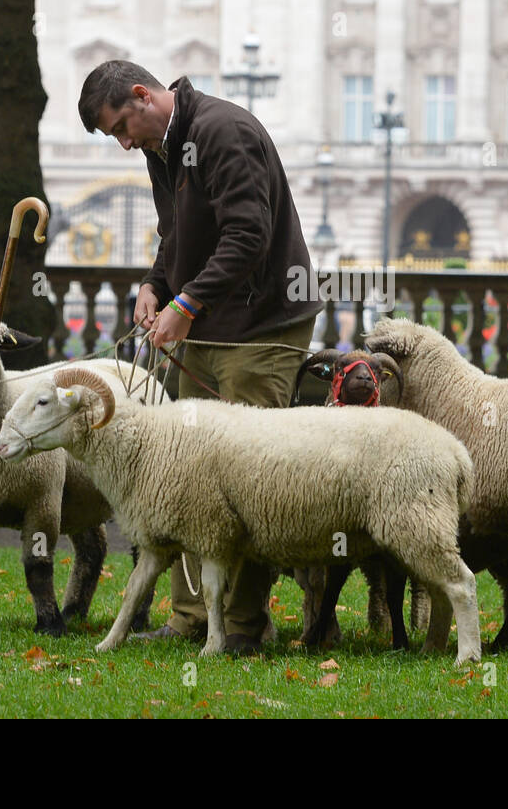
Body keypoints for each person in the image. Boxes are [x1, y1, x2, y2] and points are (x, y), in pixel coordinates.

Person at [78, 60, 322, 653]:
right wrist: (155, 284)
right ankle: (192, 619)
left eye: (120, 128)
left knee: (249, 481)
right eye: (115, 136)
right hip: (211, 327)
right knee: (188, 478)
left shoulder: (222, 131)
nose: (124, 142)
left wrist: (186, 301)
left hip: (261, 327)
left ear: (142, 96)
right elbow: (176, 234)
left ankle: (242, 627)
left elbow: (249, 234)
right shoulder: (163, 147)